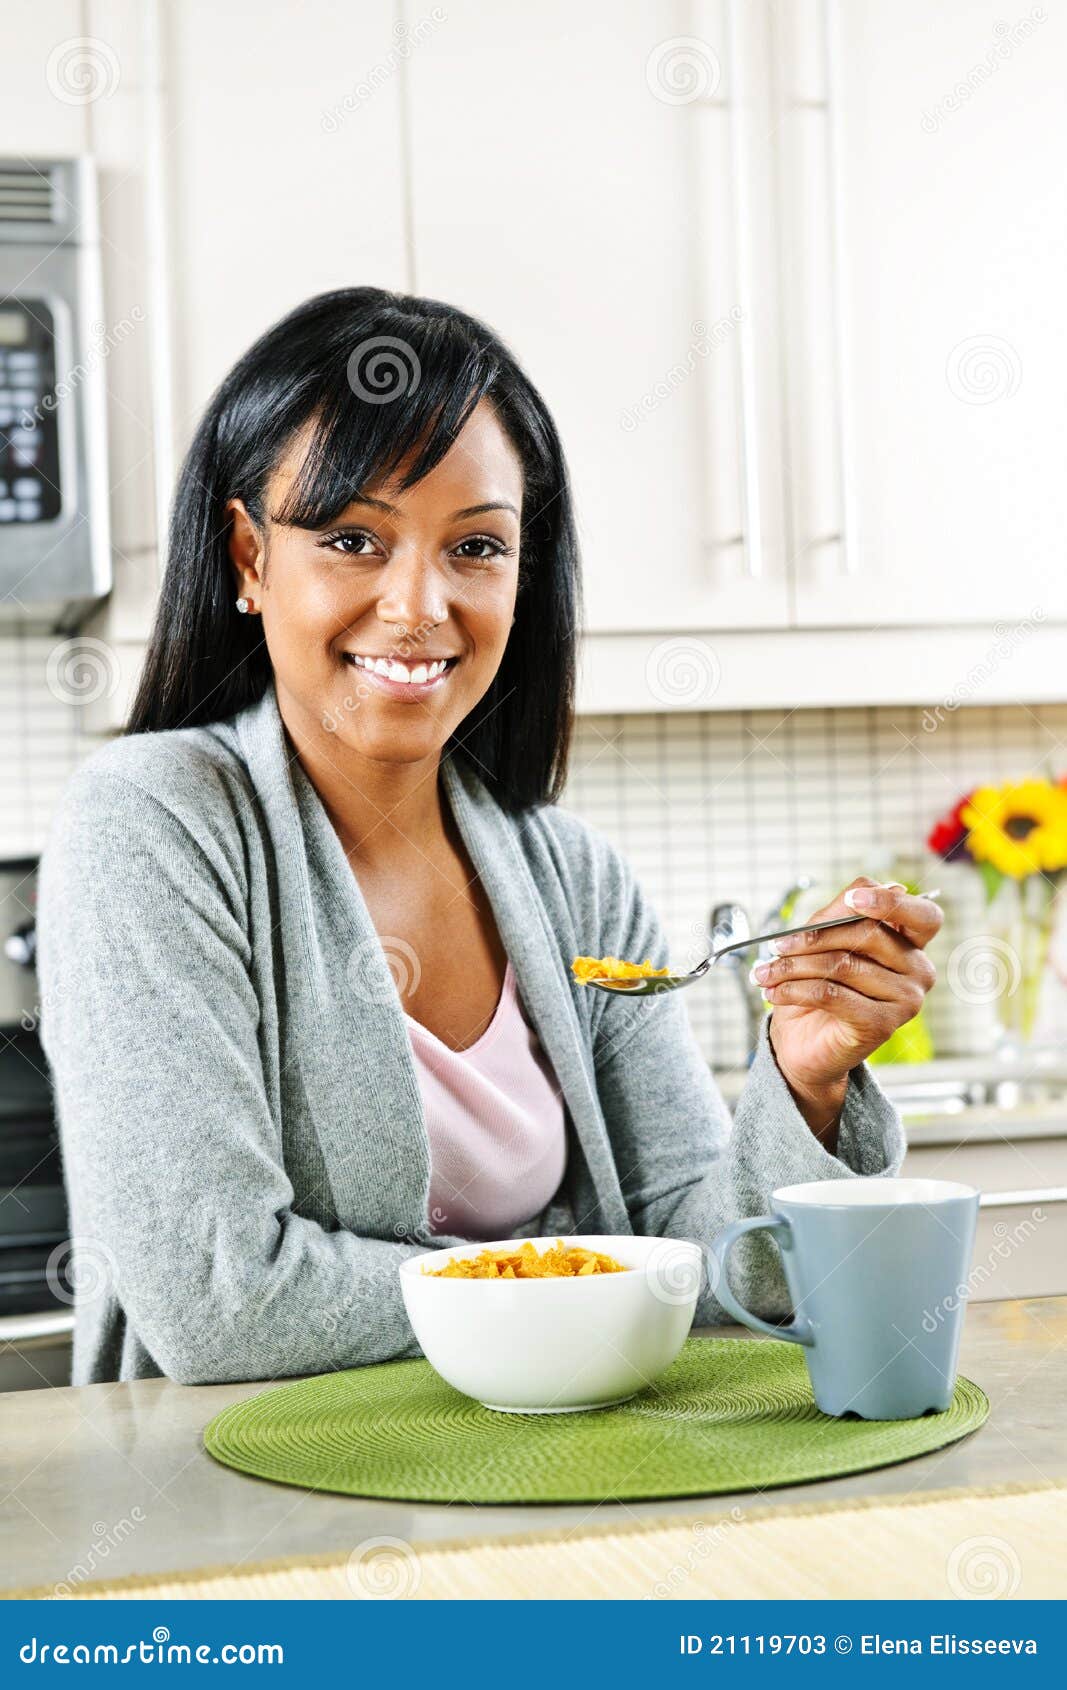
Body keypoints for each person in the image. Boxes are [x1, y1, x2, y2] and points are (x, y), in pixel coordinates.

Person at [36, 288, 941, 1385]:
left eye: (475, 546)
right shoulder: (154, 825)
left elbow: (721, 1270)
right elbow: (223, 1298)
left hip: (545, 1487)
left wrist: (800, 1080)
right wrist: (589, 1282)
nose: (419, 605)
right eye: (353, 537)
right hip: (246, 1508)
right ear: (247, 557)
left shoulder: (571, 880)